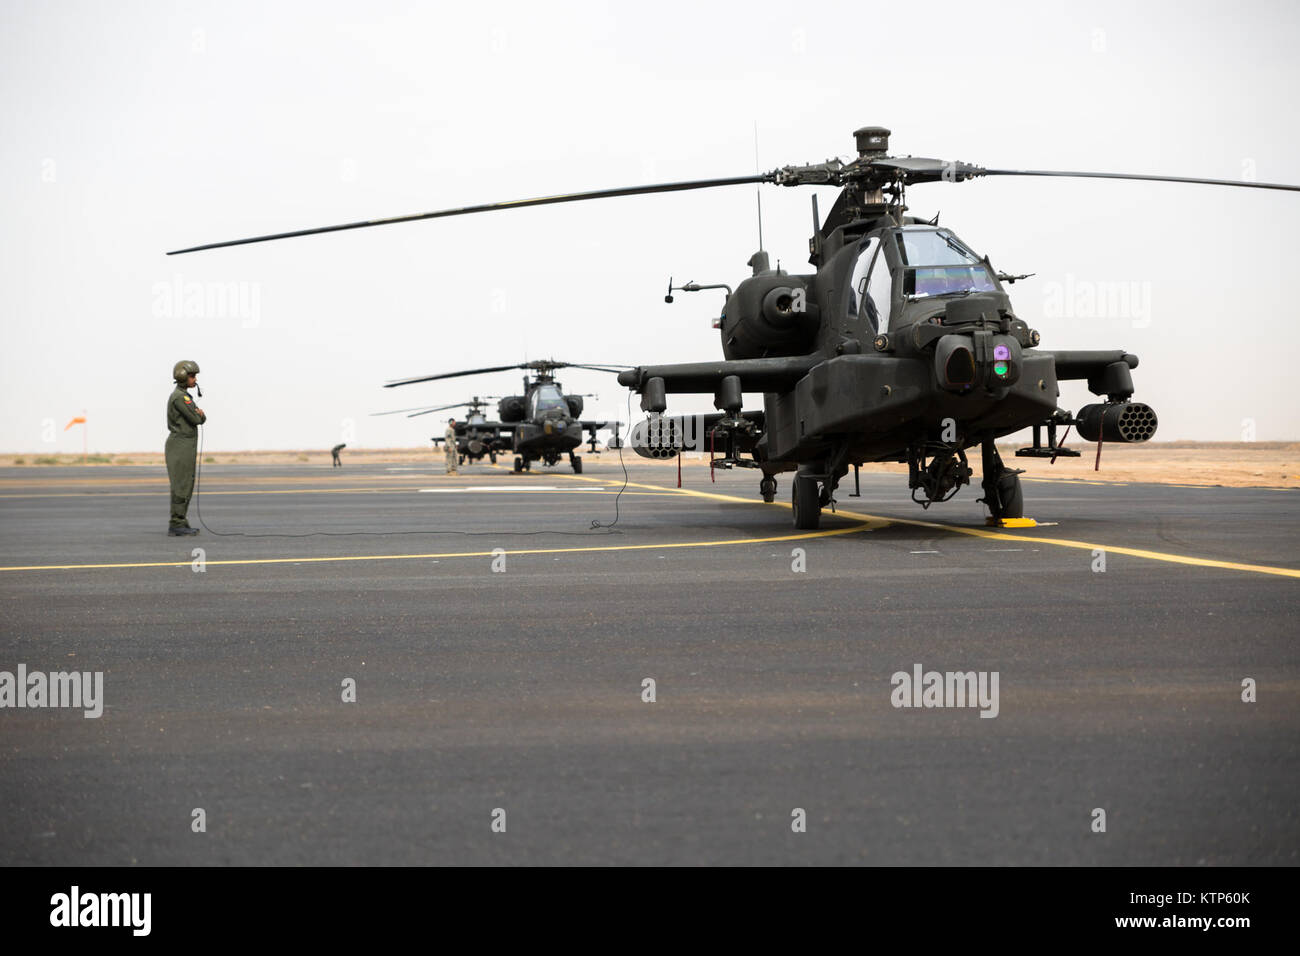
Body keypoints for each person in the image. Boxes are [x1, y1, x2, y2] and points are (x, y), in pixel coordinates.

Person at [166, 360, 206, 536]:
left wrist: (201, 415)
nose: (194, 379)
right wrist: (200, 414)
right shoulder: (180, 397)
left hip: (186, 444)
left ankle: (181, 520)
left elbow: (200, 418)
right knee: (181, 484)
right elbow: (198, 418)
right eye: (192, 376)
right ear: (183, 376)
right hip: (180, 445)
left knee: (186, 483)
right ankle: (176, 523)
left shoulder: (184, 396)